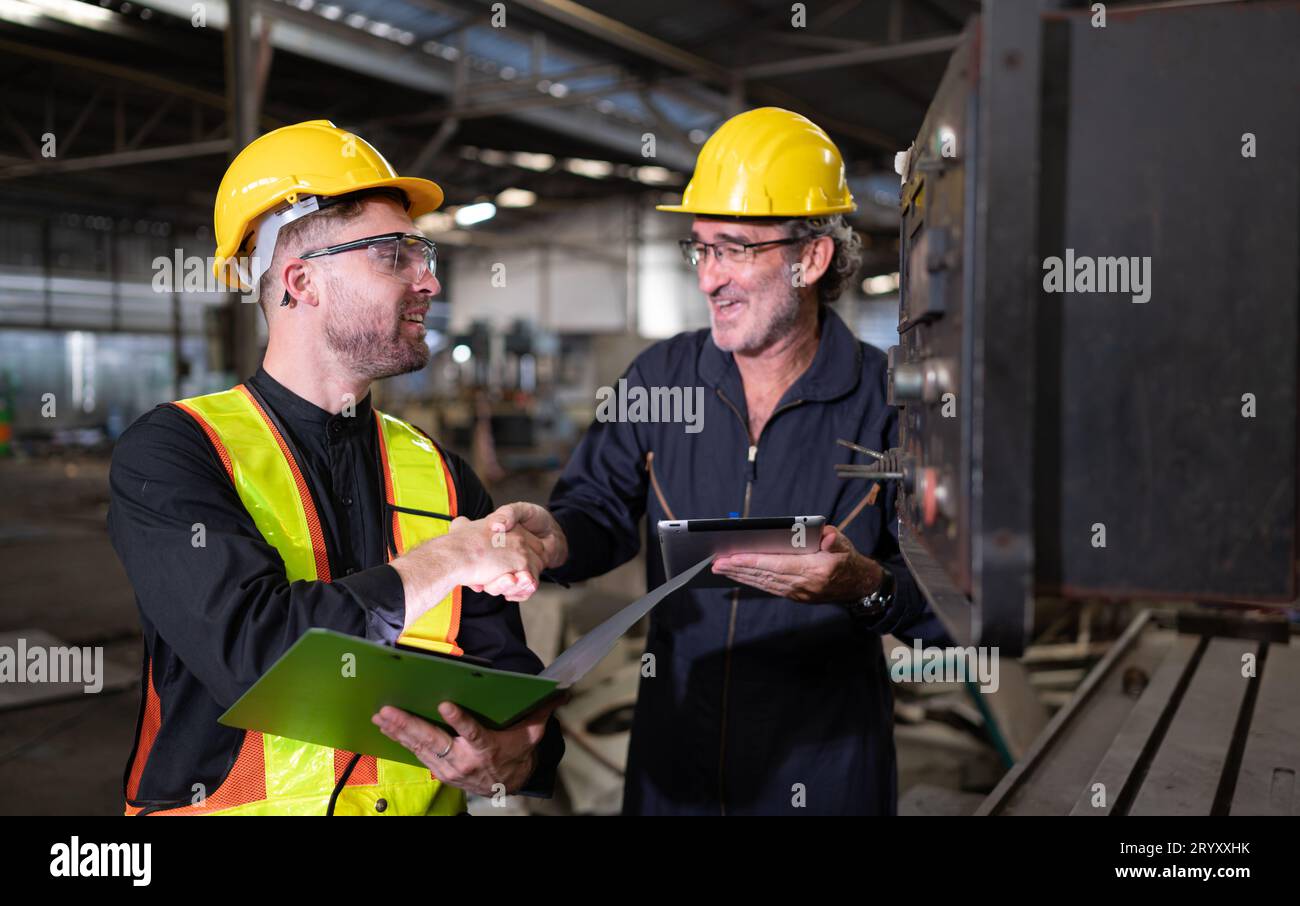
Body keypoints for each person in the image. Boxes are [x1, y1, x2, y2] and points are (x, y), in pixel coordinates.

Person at [488, 107, 945, 815]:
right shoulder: (659, 380)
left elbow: (953, 605)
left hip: (825, 774)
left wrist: (867, 586)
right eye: (699, 249)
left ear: (811, 258)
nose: (709, 279)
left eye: (733, 248)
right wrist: (557, 536)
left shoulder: (887, 406)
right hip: (676, 764)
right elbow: (597, 510)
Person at [109, 120, 564, 815]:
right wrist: (446, 559)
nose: (430, 280)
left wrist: (514, 755)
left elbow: (509, 684)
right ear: (300, 281)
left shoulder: (440, 473)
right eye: (396, 256)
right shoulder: (176, 453)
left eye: (426, 254)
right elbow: (256, 654)